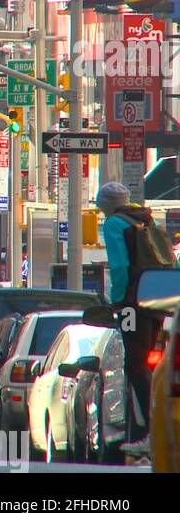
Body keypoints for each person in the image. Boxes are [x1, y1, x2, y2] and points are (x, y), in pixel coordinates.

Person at [97, 181, 176, 455]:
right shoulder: (147, 221)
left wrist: (118, 300)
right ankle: (159, 426)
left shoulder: (114, 225)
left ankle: (150, 432)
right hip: (157, 300)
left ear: (106, 204)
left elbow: (119, 266)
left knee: (134, 363)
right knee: (152, 364)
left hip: (133, 304)